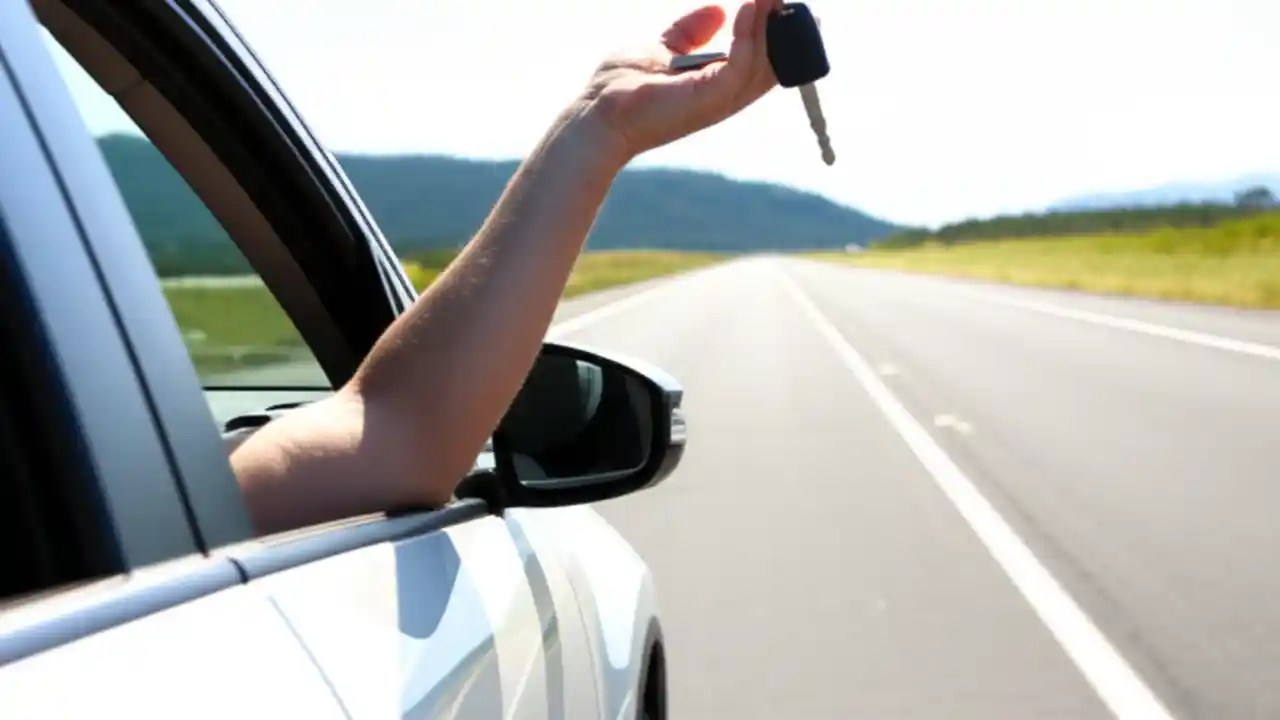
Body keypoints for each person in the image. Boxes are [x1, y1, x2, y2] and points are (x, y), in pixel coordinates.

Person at [230, 0, 783, 535]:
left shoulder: (182, 515)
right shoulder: (187, 510)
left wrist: (601, 121)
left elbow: (389, 431)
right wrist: (599, 128)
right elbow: (394, 433)